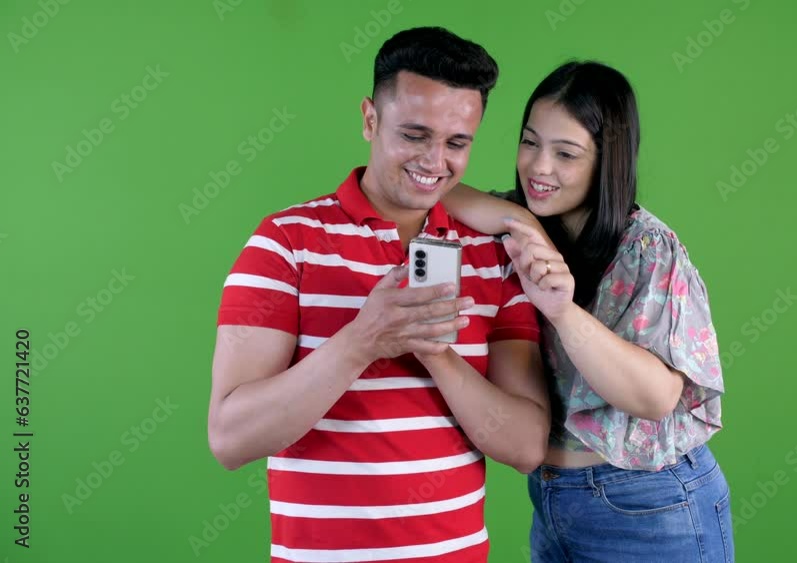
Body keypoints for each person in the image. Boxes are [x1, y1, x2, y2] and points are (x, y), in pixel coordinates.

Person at [207, 27, 550, 563]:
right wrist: (361, 341)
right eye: (415, 135)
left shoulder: (492, 257)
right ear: (370, 118)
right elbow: (230, 439)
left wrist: (437, 354)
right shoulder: (286, 243)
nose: (436, 162)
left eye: (457, 143)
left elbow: (526, 447)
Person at [442, 61, 734, 562]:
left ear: (607, 161)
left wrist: (562, 311)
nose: (539, 167)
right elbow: (435, 186)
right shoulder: (525, 224)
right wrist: (518, 218)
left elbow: (656, 396)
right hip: (553, 499)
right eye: (530, 142)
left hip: (649, 505)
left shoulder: (646, 248)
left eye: (566, 153)